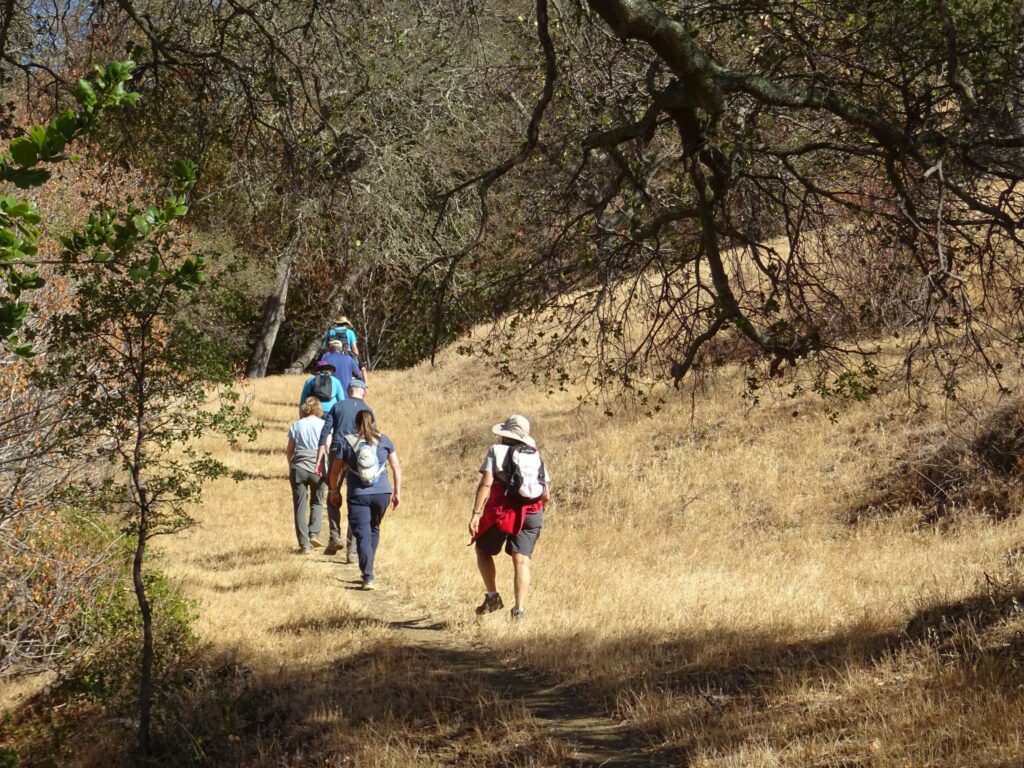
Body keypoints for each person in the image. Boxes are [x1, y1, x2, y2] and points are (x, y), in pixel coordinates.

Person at [469, 415, 549, 620]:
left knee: (482, 550)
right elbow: (546, 494)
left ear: (506, 435)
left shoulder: (496, 451)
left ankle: (492, 596)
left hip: (503, 512)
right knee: (521, 562)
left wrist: (476, 513)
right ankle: (519, 610)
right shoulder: (535, 455)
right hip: (532, 511)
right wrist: (540, 516)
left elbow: (486, 484)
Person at [328, 410, 401, 590]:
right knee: (374, 528)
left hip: (358, 494)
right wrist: (397, 492)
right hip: (382, 493)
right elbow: (396, 467)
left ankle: (368, 574)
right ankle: (369, 566)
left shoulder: (347, 441)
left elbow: (335, 471)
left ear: (356, 423)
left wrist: (333, 490)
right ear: (373, 422)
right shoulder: (385, 441)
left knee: (362, 534)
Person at [317, 379, 373, 560]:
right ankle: (352, 550)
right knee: (355, 498)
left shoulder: (337, 406)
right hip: (358, 455)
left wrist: (319, 456)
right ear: (363, 392)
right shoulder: (368, 410)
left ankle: (334, 535)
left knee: (333, 490)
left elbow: (325, 431)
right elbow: (372, 436)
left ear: (349, 390)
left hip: (337, 452)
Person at [287, 397, 327, 554]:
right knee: (317, 502)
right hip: (318, 467)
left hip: (299, 467)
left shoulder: (296, 425)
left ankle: (304, 544)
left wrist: (292, 467)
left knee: (300, 507)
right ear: (319, 409)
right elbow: (328, 447)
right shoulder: (324, 425)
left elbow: (290, 450)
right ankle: (314, 533)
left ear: (304, 409)